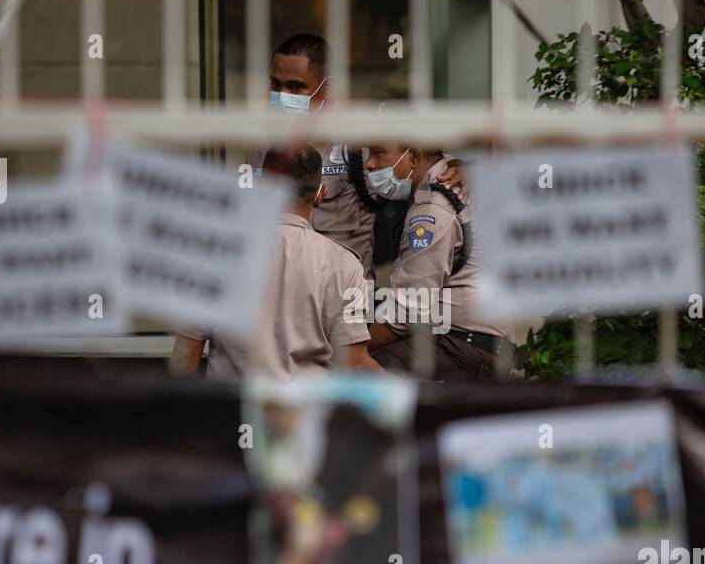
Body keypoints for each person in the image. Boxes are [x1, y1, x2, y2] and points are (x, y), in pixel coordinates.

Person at [264, 33, 469, 278]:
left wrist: (462, 167)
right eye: (275, 84)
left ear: (327, 87)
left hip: (345, 289)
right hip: (280, 284)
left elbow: (424, 160)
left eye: (296, 86)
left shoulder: (360, 136)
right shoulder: (261, 139)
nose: (282, 95)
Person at [169, 147, 381, 379]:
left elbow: (186, 355)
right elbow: (354, 364)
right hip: (304, 410)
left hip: (230, 410)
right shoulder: (344, 265)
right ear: (321, 192)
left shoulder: (216, 257)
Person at [362, 142, 514, 381]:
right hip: (473, 343)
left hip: (461, 346)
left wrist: (355, 353)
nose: (369, 164)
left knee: (362, 375)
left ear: (413, 157)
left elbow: (409, 311)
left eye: (379, 154)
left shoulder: (434, 207)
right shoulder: (449, 179)